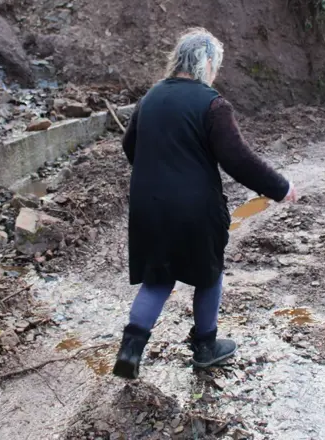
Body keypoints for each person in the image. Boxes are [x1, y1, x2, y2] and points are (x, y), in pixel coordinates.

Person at [112, 27, 298, 379]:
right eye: (216, 66)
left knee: (157, 279)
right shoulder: (212, 104)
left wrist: (160, 170)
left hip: (148, 206)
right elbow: (238, 160)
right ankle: (205, 347)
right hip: (195, 209)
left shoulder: (149, 98)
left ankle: (129, 355)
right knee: (208, 275)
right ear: (207, 63)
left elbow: (129, 147)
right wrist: (280, 186)